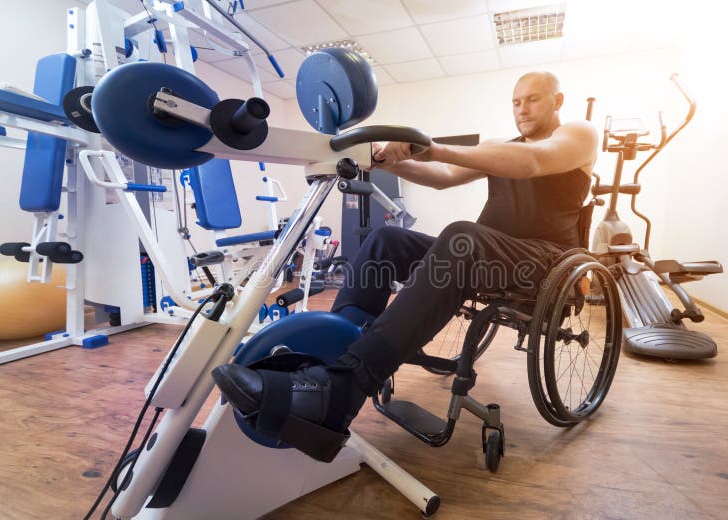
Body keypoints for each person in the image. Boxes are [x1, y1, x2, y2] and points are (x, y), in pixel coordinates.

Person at [211, 71, 597, 462]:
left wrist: (432, 147)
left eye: (532, 99)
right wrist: (383, 159)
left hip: (544, 262)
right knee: (387, 238)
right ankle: (336, 355)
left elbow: (534, 161)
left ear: (557, 101)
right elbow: (443, 177)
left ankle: (343, 388)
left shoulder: (579, 134)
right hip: (486, 253)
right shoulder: (502, 146)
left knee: (463, 236)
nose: (522, 109)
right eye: (516, 101)